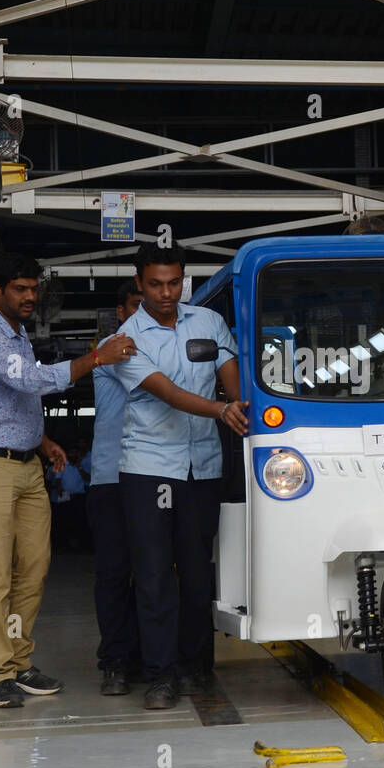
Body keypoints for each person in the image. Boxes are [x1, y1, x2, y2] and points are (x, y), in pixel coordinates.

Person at [0, 252, 135, 708]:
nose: (30, 296)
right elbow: (33, 382)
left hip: (26, 467)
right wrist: (96, 357)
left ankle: (19, 661)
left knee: (32, 572)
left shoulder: (17, 335)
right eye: (20, 288)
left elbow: (10, 403)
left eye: (34, 288)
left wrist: (42, 441)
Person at [112, 244, 248, 710]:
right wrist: (222, 409)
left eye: (174, 283)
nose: (166, 293)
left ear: (184, 280)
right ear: (139, 283)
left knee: (196, 573)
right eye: (155, 284)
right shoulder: (128, 338)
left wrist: (244, 404)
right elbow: (167, 393)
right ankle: (160, 675)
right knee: (153, 576)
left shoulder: (209, 323)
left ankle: (197, 668)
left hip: (204, 466)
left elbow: (233, 380)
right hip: (150, 469)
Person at [87, 280, 143, 695]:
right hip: (111, 477)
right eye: (136, 304)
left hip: (156, 474)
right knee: (113, 574)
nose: (144, 312)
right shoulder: (113, 347)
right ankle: (116, 660)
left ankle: (147, 654)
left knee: (153, 574)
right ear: (121, 312)